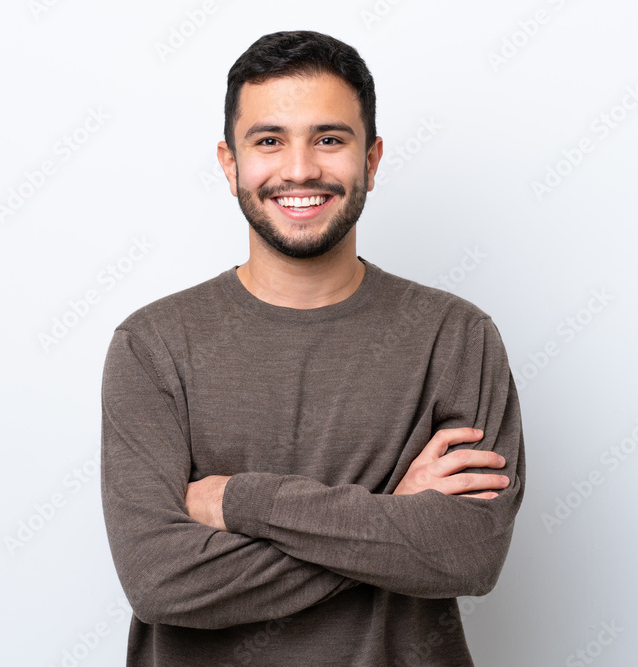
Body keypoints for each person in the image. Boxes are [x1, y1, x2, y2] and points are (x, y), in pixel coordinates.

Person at [100, 30, 525, 666]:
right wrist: (394, 519)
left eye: (329, 139)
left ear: (373, 159)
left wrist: (240, 501)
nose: (299, 169)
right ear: (229, 161)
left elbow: (467, 553)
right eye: (269, 140)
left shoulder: (456, 336)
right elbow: (160, 582)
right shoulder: (152, 345)